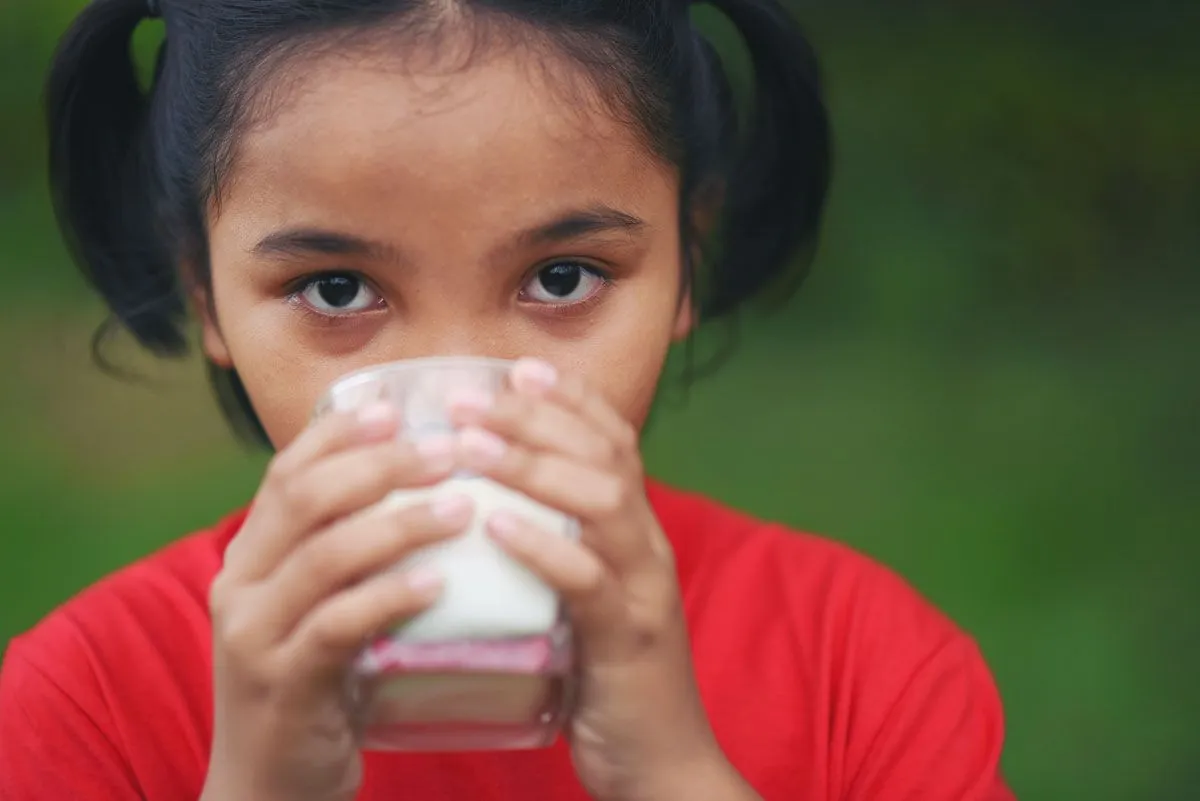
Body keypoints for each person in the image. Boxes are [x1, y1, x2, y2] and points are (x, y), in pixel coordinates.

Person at [0, 0, 1017, 799]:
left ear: (687, 261)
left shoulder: (861, 667)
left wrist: (673, 774)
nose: (462, 391)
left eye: (564, 277)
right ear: (205, 296)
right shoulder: (86, 703)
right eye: (338, 290)